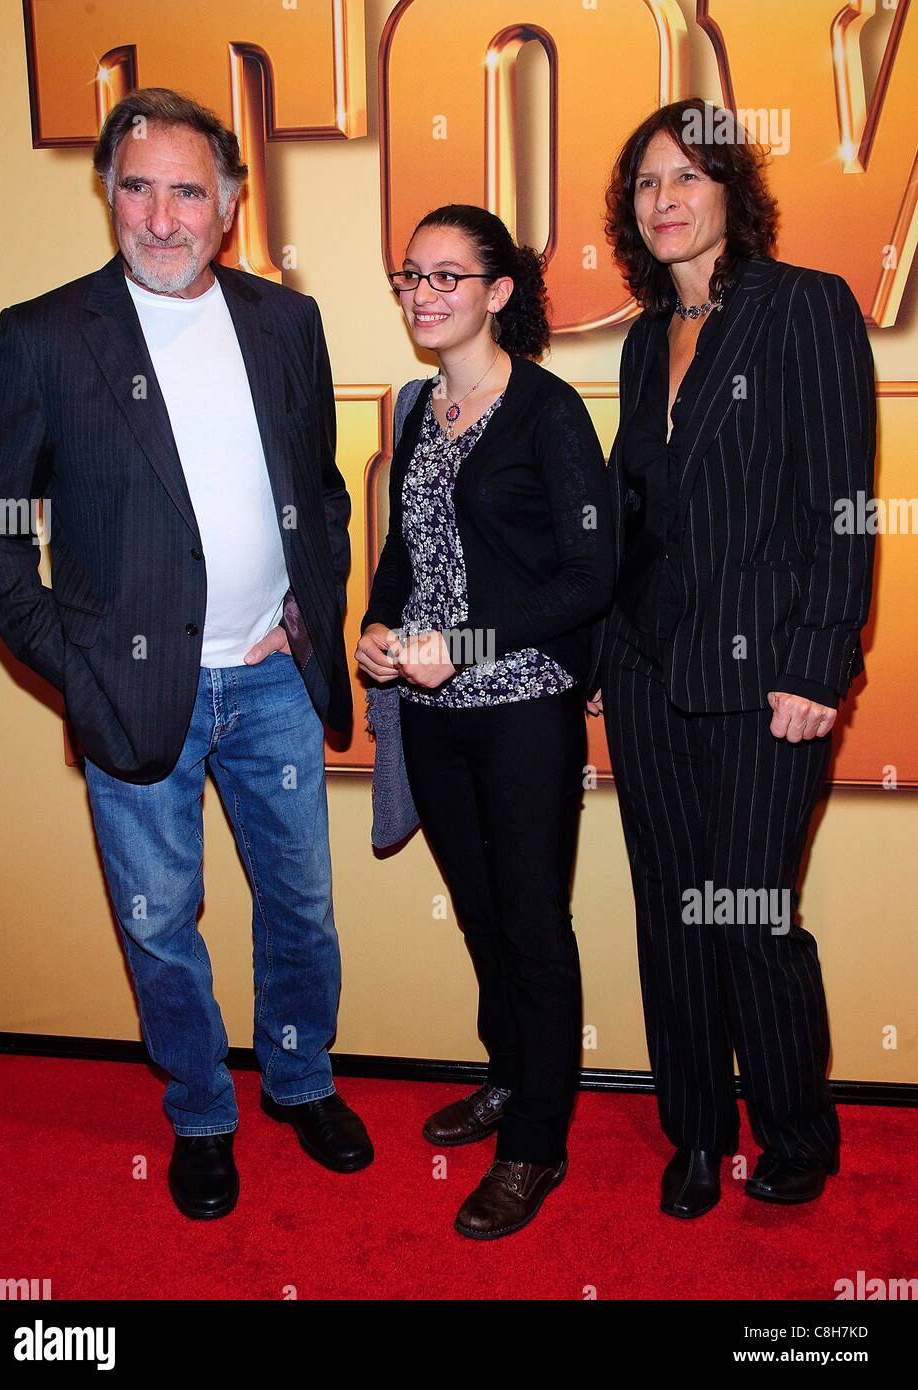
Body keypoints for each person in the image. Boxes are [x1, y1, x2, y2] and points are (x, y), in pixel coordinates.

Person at [0, 87, 372, 1221]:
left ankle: (298, 1077)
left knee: (300, 905)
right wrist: (70, 659)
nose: (159, 214)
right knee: (158, 920)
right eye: (135, 186)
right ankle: (200, 1108)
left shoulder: (286, 322)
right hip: (134, 693)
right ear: (108, 195)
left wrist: (313, 599)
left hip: (275, 682)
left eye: (186, 189)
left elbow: (322, 492)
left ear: (229, 205)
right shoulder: (45, 334)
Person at [591, 99, 876, 1217]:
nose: (664, 200)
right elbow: (638, 510)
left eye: (687, 178)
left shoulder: (804, 307)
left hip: (770, 680)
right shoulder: (637, 337)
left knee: (749, 907)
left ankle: (795, 1128)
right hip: (652, 670)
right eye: (646, 184)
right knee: (669, 907)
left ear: (730, 195)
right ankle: (697, 1131)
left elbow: (845, 504)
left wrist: (818, 663)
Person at [356, 204, 615, 1239]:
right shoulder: (422, 406)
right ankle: (509, 1077)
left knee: (534, 925)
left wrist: (458, 645)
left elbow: (588, 579)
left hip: (523, 712)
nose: (424, 293)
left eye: (448, 276)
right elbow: (402, 550)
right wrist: (376, 626)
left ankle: (535, 1145)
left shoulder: (549, 413)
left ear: (499, 292)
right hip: (431, 715)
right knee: (478, 913)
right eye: (411, 275)